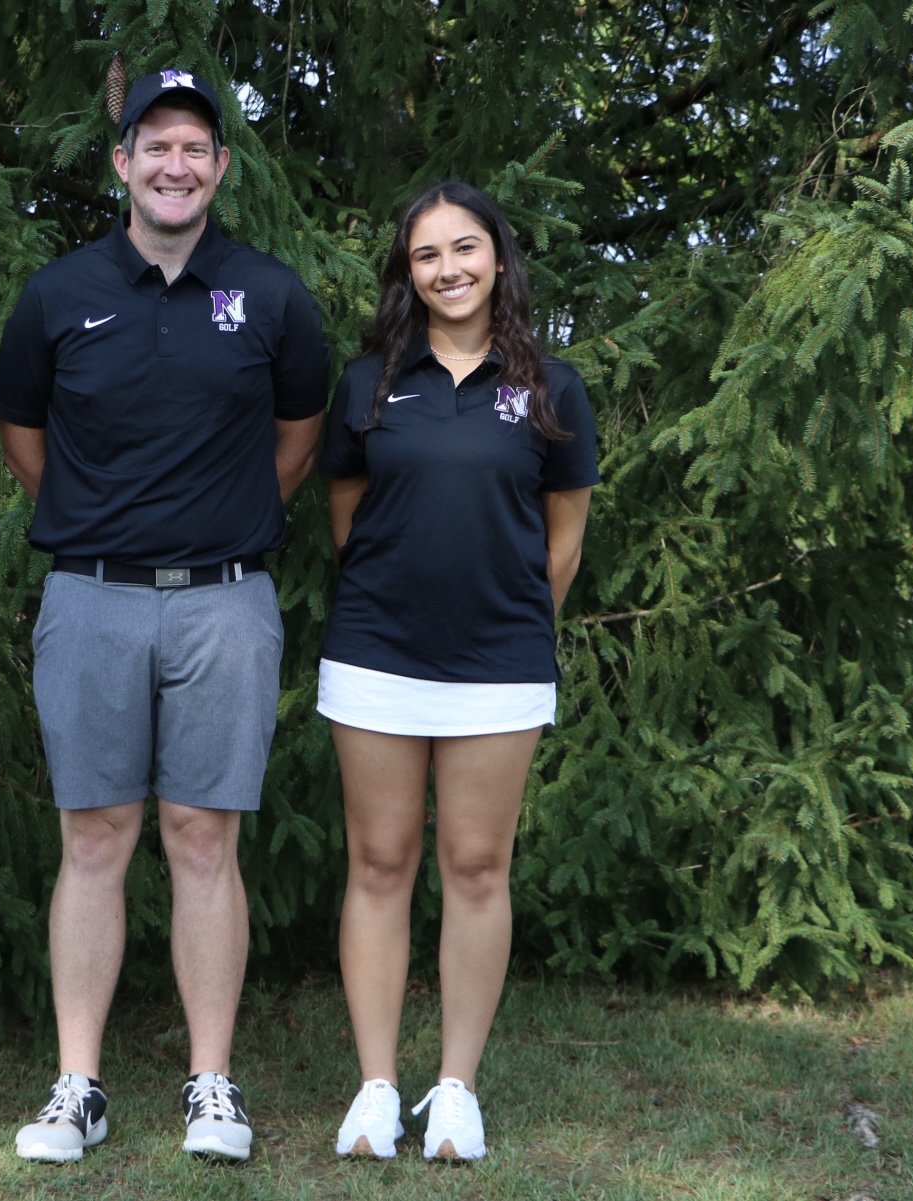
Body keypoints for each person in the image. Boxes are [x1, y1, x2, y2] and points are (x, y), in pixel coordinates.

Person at [0, 68, 328, 1163]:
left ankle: (209, 1083)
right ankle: (78, 1085)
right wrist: (105, 530)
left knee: (201, 838)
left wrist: (218, 524)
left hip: (224, 603)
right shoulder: (57, 296)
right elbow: (24, 443)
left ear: (219, 168)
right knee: (93, 838)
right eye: (155, 145)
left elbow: (297, 437)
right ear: (122, 163)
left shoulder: (271, 297)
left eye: (195, 148)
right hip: (89, 598)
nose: (174, 164)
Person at [317, 182, 598, 1161]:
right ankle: (376, 1087)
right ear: (406, 272)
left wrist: (505, 616)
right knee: (379, 864)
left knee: (476, 869)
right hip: (375, 654)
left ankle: (454, 1090)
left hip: (497, 662)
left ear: (497, 260)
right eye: (427, 254)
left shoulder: (551, 386)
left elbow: (560, 540)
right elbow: (347, 515)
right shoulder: (364, 384)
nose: (447, 269)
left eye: (464, 248)